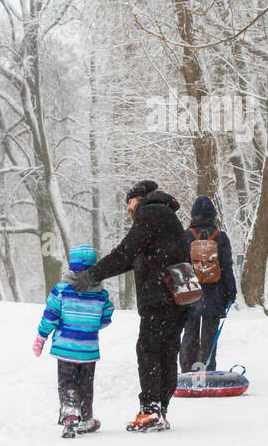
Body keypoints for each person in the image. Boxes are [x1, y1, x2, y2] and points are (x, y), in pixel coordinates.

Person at [66, 180, 191, 432]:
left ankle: (150, 410)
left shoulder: (150, 213)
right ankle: (159, 410)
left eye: (130, 202)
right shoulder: (167, 217)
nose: (128, 209)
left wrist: (90, 276)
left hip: (160, 297)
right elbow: (132, 258)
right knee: (167, 352)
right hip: (180, 296)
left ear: (142, 198)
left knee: (149, 352)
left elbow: (125, 252)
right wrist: (97, 274)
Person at [33, 245, 114, 438]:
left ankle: (70, 415)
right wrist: (92, 326)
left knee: (67, 382)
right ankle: (86, 419)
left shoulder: (61, 290)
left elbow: (50, 316)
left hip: (66, 349)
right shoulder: (101, 295)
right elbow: (107, 316)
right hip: (88, 351)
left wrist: (41, 336)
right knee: (86, 385)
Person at [179, 195, 238, 373]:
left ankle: (188, 371)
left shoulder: (185, 236)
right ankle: (207, 371)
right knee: (209, 337)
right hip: (215, 294)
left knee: (189, 335)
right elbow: (227, 267)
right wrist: (231, 292)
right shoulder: (220, 237)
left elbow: (180, 266)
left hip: (191, 294)